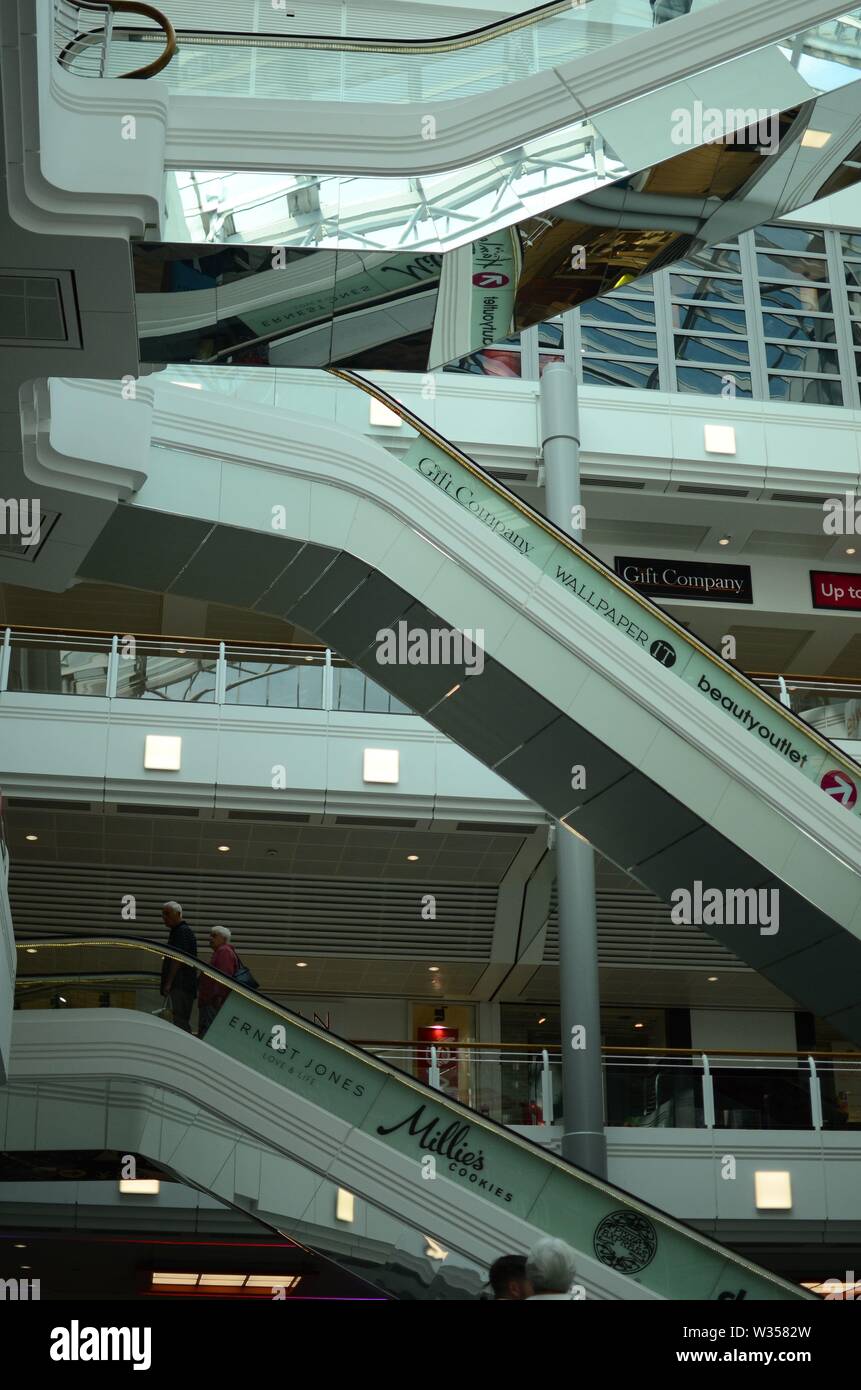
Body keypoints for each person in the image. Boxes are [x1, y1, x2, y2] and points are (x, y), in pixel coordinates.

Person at [159, 901, 198, 1033]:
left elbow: (178, 958)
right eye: (163, 914)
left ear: (178, 914)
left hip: (181, 985)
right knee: (179, 1020)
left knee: (180, 1022)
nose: (164, 917)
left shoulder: (181, 932)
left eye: (167, 914)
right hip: (182, 985)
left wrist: (168, 983)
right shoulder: (179, 931)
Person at [197, 925, 239, 1038]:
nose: (210, 938)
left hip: (212, 1001)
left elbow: (223, 976)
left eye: (214, 936)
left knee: (207, 1032)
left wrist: (218, 997)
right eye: (210, 935)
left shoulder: (224, 951)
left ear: (224, 939)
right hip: (212, 1000)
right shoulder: (222, 952)